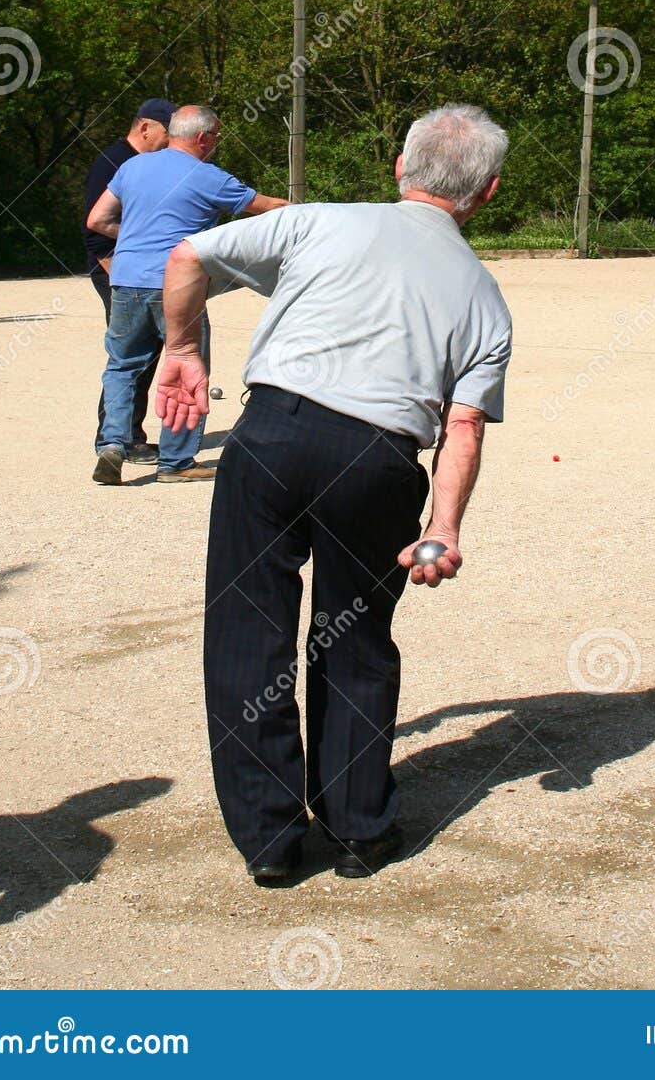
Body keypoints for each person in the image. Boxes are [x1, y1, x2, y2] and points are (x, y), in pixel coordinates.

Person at [156, 104, 512, 883]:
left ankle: (270, 840)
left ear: (399, 166)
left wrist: (181, 348)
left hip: (272, 434)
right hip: (379, 460)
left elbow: (186, 254)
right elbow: (463, 426)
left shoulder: (317, 220)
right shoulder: (484, 296)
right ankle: (358, 829)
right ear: (486, 193)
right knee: (354, 639)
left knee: (248, 633)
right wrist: (443, 526)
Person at [86, 104, 286, 487]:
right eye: (217, 137)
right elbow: (269, 209)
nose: (217, 143)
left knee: (122, 366)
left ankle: (112, 443)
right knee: (186, 364)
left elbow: (97, 220)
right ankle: (176, 461)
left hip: (126, 279)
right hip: (178, 284)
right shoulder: (209, 177)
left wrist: (135, 239)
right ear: (202, 138)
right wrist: (319, 217)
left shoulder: (132, 167)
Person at [83, 98, 176, 465]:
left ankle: (126, 436)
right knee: (130, 356)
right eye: (168, 133)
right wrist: (120, 276)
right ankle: (117, 439)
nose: (171, 142)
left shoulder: (142, 163)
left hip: (133, 273)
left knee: (142, 354)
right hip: (116, 272)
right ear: (145, 127)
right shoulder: (114, 161)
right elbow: (94, 231)